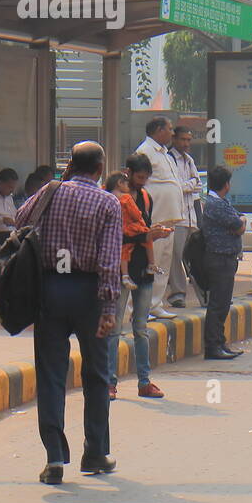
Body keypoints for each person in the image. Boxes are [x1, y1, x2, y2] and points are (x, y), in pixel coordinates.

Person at [15, 141, 122, 485]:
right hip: (89, 293)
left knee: (51, 376)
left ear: (71, 165)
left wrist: (56, 186)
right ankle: (95, 452)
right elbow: (108, 261)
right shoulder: (108, 202)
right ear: (100, 167)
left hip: (50, 290)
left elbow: (19, 219)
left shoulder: (50, 191)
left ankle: (54, 458)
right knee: (97, 375)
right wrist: (108, 307)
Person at [108, 155, 172, 400]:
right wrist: (146, 236)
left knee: (141, 328)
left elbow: (143, 231)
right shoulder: (112, 198)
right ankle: (109, 382)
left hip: (143, 269)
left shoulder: (145, 198)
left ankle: (144, 381)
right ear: (128, 173)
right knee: (114, 329)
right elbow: (113, 235)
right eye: (139, 178)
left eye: (146, 179)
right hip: (119, 268)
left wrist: (152, 235)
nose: (142, 183)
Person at [134, 117, 183, 320]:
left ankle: (156, 303)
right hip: (155, 217)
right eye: (169, 129)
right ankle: (142, 306)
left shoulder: (166, 154)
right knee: (151, 261)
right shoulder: (144, 151)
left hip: (170, 216)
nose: (172, 133)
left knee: (164, 260)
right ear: (159, 130)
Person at [200, 166, 244, 360]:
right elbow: (238, 224)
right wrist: (240, 222)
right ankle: (213, 346)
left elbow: (237, 223)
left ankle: (220, 342)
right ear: (226, 184)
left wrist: (239, 222)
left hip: (226, 258)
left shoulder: (220, 202)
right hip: (219, 258)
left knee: (223, 304)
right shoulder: (215, 204)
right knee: (218, 304)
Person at [165, 125, 201, 309]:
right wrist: (190, 184)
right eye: (183, 139)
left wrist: (189, 185)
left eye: (189, 140)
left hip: (191, 216)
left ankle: (202, 293)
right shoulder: (168, 159)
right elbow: (177, 186)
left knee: (194, 257)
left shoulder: (189, 160)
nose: (186, 143)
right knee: (176, 257)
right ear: (174, 140)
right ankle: (177, 294)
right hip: (177, 217)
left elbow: (198, 184)